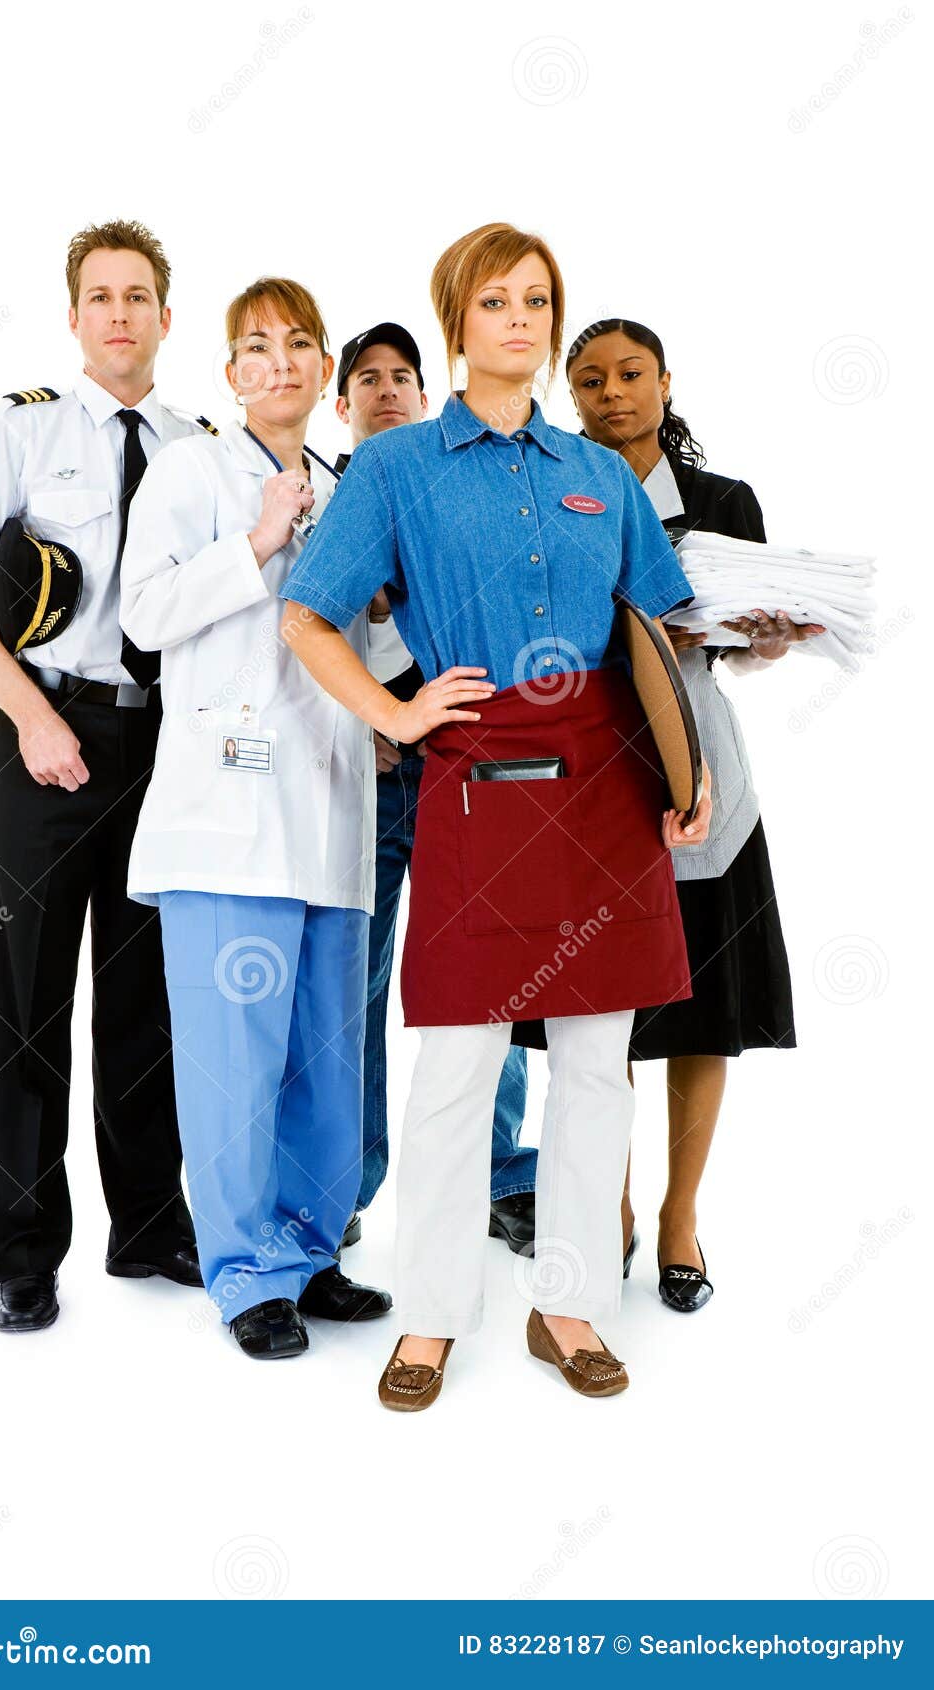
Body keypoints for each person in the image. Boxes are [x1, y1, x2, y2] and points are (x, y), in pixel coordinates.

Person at [283, 224, 712, 1411]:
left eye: (535, 301)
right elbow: (307, 616)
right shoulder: (395, 467)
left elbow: (657, 639)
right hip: (476, 776)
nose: (518, 319)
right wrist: (396, 710)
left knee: (594, 1065)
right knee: (457, 1060)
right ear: (455, 321)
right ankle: (428, 1317)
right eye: (493, 301)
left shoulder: (600, 476)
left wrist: (687, 776)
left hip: (608, 781)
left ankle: (565, 1306)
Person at [0, 219, 206, 1335]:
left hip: (163, 739)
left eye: (138, 296)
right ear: (74, 316)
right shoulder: (21, 428)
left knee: (148, 995)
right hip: (46, 732)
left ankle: (149, 1225)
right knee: (26, 997)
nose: (119, 314)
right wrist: (29, 717)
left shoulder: (197, 446)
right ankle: (24, 1252)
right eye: (100, 297)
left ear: (166, 317)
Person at [119, 278, 401, 1360]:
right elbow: (146, 614)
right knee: (233, 1065)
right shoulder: (191, 471)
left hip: (330, 815)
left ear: (324, 369)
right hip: (225, 819)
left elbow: (364, 649)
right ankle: (243, 1275)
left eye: (297, 344)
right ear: (230, 372)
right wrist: (255, 540)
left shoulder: (350, 487)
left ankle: (311, 1254)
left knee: (326, 1058)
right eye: (254, 346)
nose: (277, 361)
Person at [567, 318, 819, 1312]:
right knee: (601, 1014)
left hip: (698, 767)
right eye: (590, 380)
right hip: (587, 772)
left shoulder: (720, 502)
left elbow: (744, 644)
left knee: (702, 1005)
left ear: (665, 383)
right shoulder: (554, 493)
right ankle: (611, 1205)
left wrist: (767, 639)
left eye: (629, 374)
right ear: (571, 398)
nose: (612, 393)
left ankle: (679, 1215)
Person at [332, 322, 537, 1255]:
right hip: (366, 774)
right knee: (357, 981)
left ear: (425, 396)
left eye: (401, 377)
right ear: (341, 403)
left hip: (468, 768)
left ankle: (498, 1172)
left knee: (491, 972)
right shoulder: (323, 498)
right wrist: (366, 720)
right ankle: (345, 1181)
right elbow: (289, 639)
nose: (385, 390)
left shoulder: (463, 488)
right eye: (367, 379)